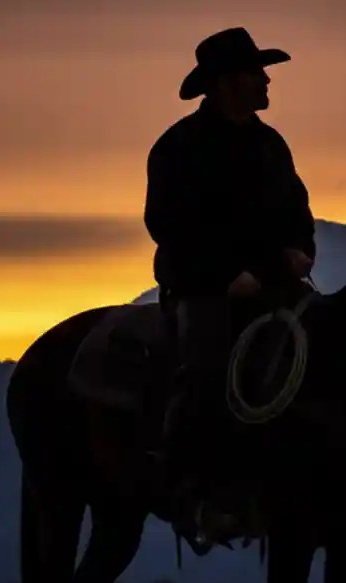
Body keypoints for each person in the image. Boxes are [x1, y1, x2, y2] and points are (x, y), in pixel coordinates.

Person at [143, 27, 316, 549]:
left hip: (272, 284)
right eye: (255, 72)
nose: (266, 80)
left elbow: (297, 209)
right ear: (225, 84)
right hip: (201, 289)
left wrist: (299, 248)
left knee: (329, 348)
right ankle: (194, 494)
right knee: (205, 371)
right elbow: (168, 224)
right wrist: (222, 275)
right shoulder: (178, 148)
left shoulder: (271, 145)